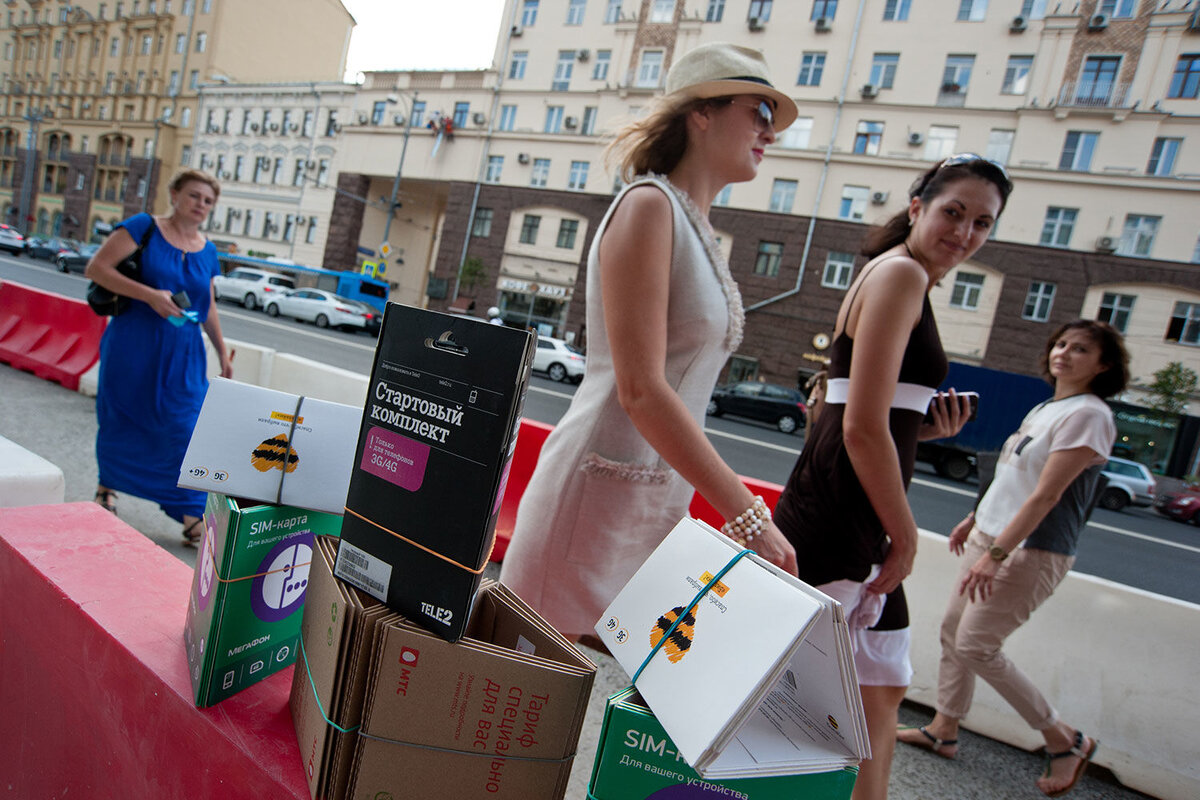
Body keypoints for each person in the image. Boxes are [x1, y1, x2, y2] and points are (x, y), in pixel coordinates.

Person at [500, 42, 800, 640]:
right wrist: (747, 515)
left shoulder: (698, 227)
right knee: (522, 707)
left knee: (599, 712)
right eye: (759, 110)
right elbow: (639, 388)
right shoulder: (648, 206)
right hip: (591, 499)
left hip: (652, 505)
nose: (771, 130)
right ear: (702, 112)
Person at [773, 154, 1013, 800]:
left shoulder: (896, 276)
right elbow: (858, 427)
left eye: (982, 223)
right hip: (844, 518)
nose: (964, 233)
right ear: (917, 208)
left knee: (881, 693)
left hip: (850, 508)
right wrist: (905, 538)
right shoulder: (903, 274)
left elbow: (844, 407)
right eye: (953, 212)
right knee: (796, 702)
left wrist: (922, 432)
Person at [897, 320, 1127, 798]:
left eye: (1080, 349)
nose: (1063, 353)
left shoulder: (1089, 415)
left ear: (1103, 365)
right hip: (991, 538)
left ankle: (1065, 740)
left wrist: (997, 555)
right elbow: (1013, 478)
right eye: (1060, 343)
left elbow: (1045, 496)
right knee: (952, 634)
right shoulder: (1050, 407)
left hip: (1031, 550)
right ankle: (944, 729)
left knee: (977, 644)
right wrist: (974, 516)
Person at [85, 169, 233, 546]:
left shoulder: (208, 249)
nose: (201, 204)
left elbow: (208, 305)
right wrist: (148, 295)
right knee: (123, 417)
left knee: (186, 428)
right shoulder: (142, 227)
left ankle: (188, 511)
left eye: (208, 200)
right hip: (134, 344)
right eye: (194, 195)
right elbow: (96, 269)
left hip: (184, 353)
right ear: (174, 194)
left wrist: (221, 351)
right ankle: (107, 487)